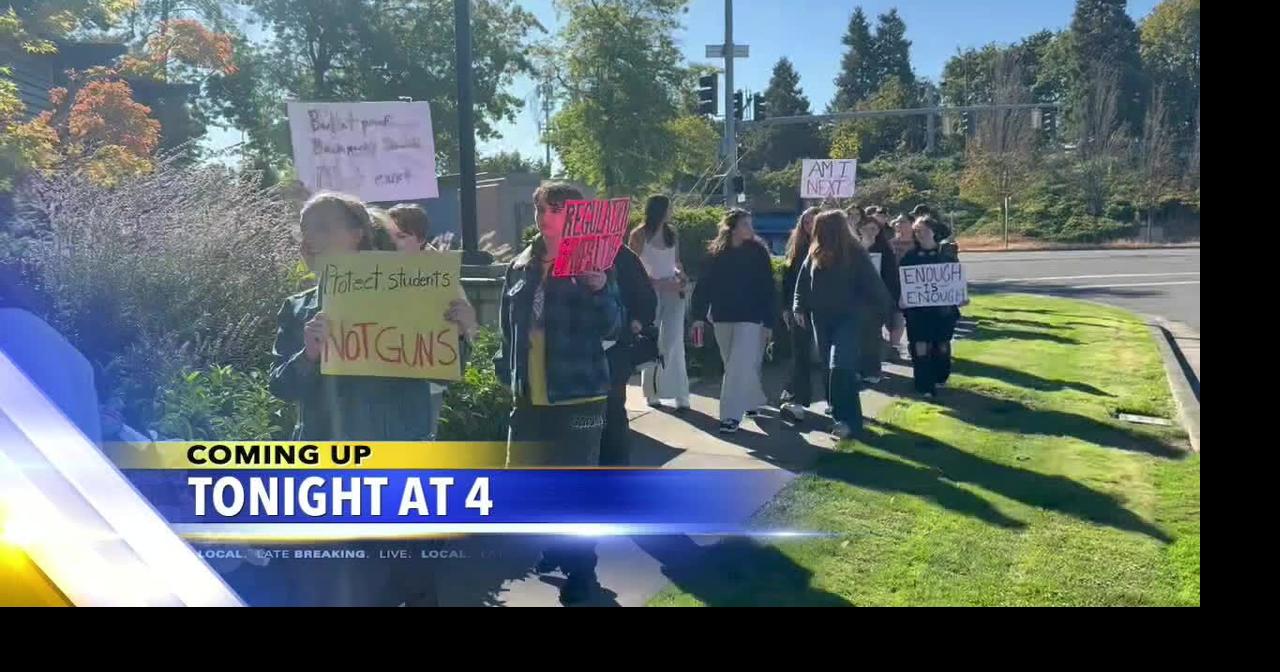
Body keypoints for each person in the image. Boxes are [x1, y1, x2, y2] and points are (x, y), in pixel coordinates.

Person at [494, 182, 622, 605]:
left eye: (555, 208)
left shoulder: (596, 263)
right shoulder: (521, 263)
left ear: (576, 216)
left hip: (579, 395)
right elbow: (505, 329)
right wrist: (506, 370)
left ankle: (583, 571)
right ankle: (554, 546)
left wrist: (599, 288)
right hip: (528, 397)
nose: (544, 214)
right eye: (540, 207)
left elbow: (612, 326)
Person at [269, 192, 477, 441]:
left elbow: (444, 376)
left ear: (356, 235)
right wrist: (308, 355)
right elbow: (280, 387)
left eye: (322, 228)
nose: (309, 240)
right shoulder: (297, 308)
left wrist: (459, 334)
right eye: (305, 230)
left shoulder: (410, 296)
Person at [789, 210, 891, 438]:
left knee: (841, 366)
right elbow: (802, 284)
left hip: (849, 318)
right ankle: (838, 416)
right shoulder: (814, 253)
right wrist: (799, 307)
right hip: (821, 319)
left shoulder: (855, 254)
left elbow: (875, 287)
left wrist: (884, 317)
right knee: (828, 368)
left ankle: (850, 421)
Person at [385, 203, 477, 439]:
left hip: (425, 387)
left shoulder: (440, 277)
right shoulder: (373, 275)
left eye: (402, 236)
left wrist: (464, 323)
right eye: (388, 236)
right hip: (382, 384)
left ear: (421, 239)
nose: (393, 243)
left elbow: (468, 334)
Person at [689, 209, 776, 434]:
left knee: (737, 366)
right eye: (745, 224)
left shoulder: (758, 252)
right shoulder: (716, 254)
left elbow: (768, 288)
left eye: (750, 224)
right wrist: (697, 316)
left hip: (751, 316)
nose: (750, 228)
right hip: (722, 315)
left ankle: (730, 416)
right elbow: (703, 286)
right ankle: (753, 398)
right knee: (733, 364)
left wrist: (769, 321)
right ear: (733, 227)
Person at [629, 194, 691, 411]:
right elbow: (633, 269)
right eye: (668, 207)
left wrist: (681, 276)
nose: (671, 211)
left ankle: (680, 394)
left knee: (674, 342)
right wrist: (657, 284)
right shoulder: (639, 235)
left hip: (674, 293)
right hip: (650, 294)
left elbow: (675, 263)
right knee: (653, 342)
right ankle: (652, 392)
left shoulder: (671, 233)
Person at [600, 243, 657, 467]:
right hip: (580, 352)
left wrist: (637, 320)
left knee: (613, 413)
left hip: (614, 348)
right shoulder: (567, 251)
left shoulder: (621, 254)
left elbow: (646, 297)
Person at [899, 216, 962, 398]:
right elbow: (903, 282)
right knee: (920, 347)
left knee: (941, 346)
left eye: (923, 230)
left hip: (942, 311)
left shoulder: (946, 256)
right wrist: (902, 299)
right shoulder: (910, 257)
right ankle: (923, 385)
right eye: (916, 231)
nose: (919, 234)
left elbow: (955, 281)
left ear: (934, 231)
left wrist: (959, 297)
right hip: (917, 313)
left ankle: (940, 377)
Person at [779, 207, 821, 411]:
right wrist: (786, 307)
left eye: (814, 221)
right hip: (799, 307)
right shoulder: (796, 247)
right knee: (800, 352)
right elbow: (788, 281)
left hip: (823, 307)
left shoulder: (830, 246)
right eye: (806, 222)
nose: (810, 226)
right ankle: (801, 396)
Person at [856, 206, 901, 380]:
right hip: (855, 300)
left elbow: (891, 277)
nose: (870, 231)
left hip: (876, 301)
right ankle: (858, 369)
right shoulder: (852, 249)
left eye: (874, 228)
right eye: (866, 228)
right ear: (859, 229)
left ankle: (873, 370)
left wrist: (890, 299)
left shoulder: (885, 250)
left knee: (873, 336)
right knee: (856, 337)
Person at [887, 214, 915, 353]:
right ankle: (895, 347)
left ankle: (914, 344)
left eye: (903, 222)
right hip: (895, 285)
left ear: (912, 224)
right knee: (896, 317)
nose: (899, 225)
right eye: (897, 222)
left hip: (914, 285)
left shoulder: (918, 243)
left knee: (914, 318)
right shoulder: (890, 243)